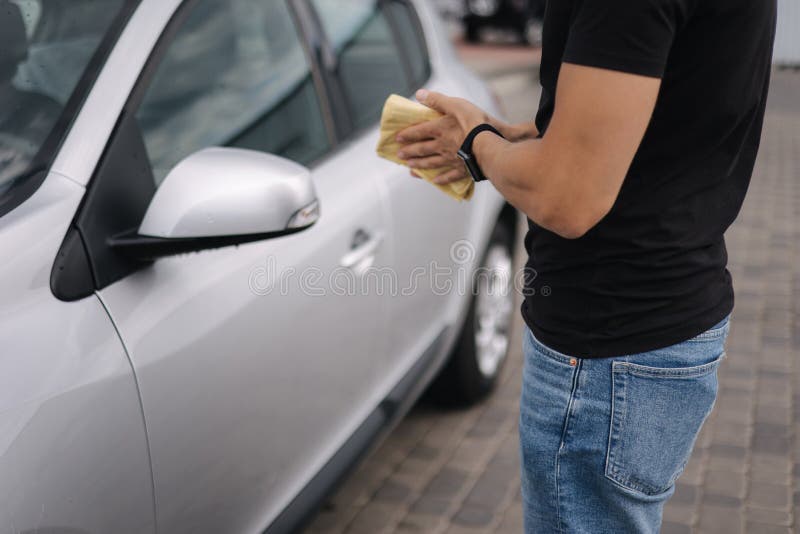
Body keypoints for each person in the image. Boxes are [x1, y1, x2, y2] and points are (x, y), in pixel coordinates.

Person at [396, 0, 777, 531]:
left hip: (608, 347)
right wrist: (513, 143)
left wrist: (476, 143)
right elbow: (667, 111)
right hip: (665, 323)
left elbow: (566, 198)